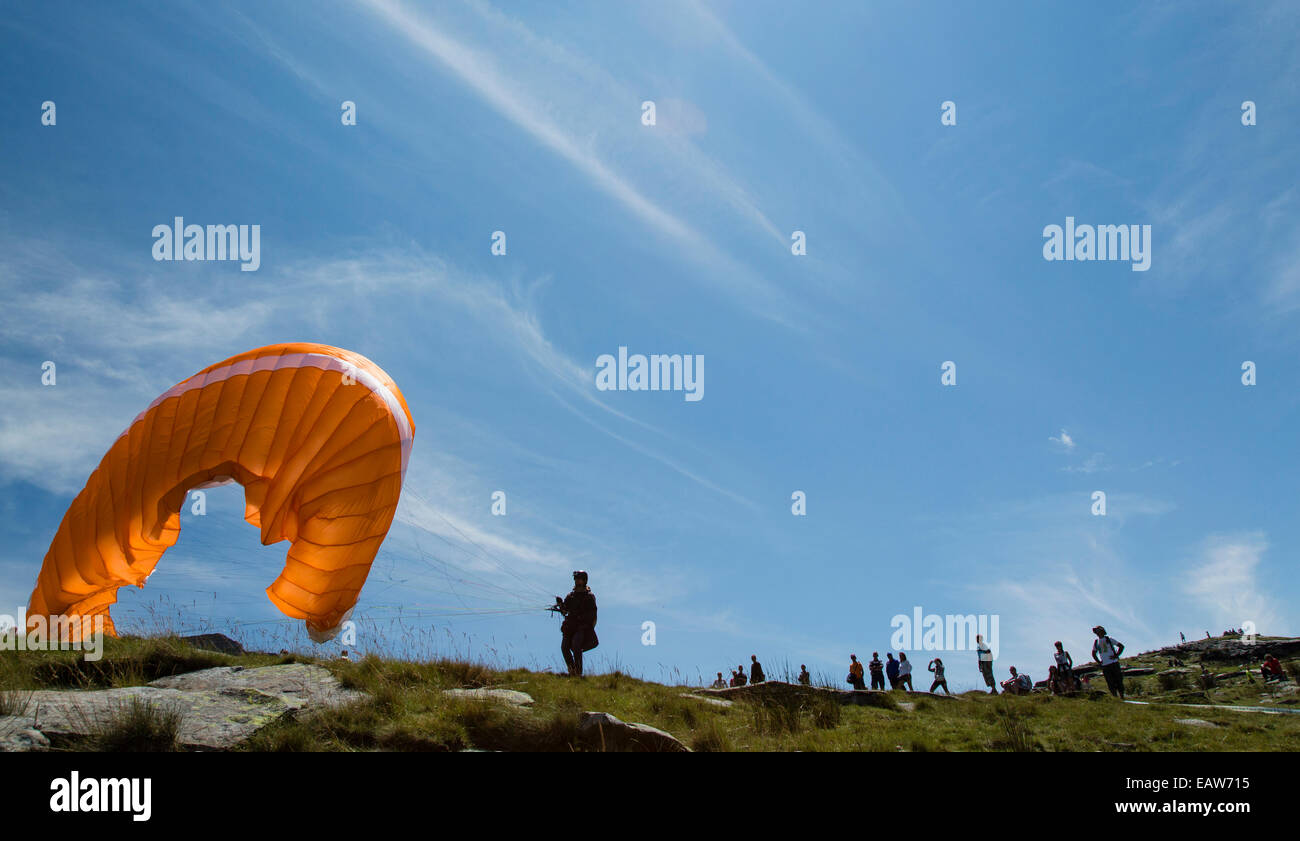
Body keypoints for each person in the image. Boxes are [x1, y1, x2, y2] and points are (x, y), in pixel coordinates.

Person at [556, 570, 598, 677]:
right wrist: (561, 604)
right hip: (570, 627)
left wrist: (580, 617)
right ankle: (572, 671)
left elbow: (592, 613)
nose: (576, 581)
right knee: (564, 647)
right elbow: (565, 610)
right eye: (575, 579)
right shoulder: (570, 596)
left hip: (582, 627)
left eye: (578, 579)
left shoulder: (589, 596)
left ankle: (578, 673)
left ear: (584, 581)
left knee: (576, 645)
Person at [1091, 625, 1126, 699]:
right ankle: (1116, 697)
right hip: (1105, 665)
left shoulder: (1109, 639)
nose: (1097, 633)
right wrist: (1099, 662)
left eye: (1098, 631)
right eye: (1096, 631)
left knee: (1118, 680)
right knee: (1110, 682)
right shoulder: (1096, 642)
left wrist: (1116, 655)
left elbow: (1121, 646)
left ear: (1102, 631)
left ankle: (1122, 696)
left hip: (1114, 663)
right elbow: (1093, 653)